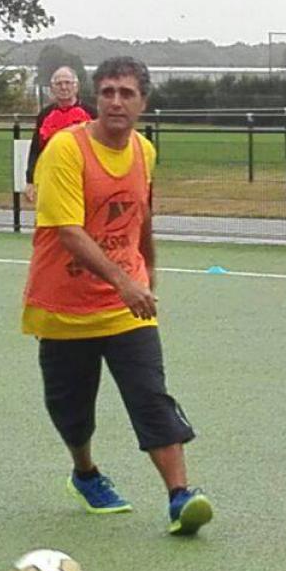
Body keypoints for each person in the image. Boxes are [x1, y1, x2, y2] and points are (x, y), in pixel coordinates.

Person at [21, 56, 213, 536]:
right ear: (95, 98)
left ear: (143, 103)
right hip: (64, 303)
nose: (115, 101)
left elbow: (141, 214)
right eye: (107, 91)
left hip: (126, 307)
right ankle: (85, 472)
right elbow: (68, 232)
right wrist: (125, 282)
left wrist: (147, 268)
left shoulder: (144, 152)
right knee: (71, 408)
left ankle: (180, 497)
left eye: (126, 93)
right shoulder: (65, 150)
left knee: (150, 395)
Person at [23, 66, 94, 205]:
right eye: (59, 84)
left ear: (76, 86)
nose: (64, 87)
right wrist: (30, 181)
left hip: (83, 180)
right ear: (52, 88)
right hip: (52, 179)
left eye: (68, 83)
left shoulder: (92, 114)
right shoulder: (44, 115)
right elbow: (36, 149)